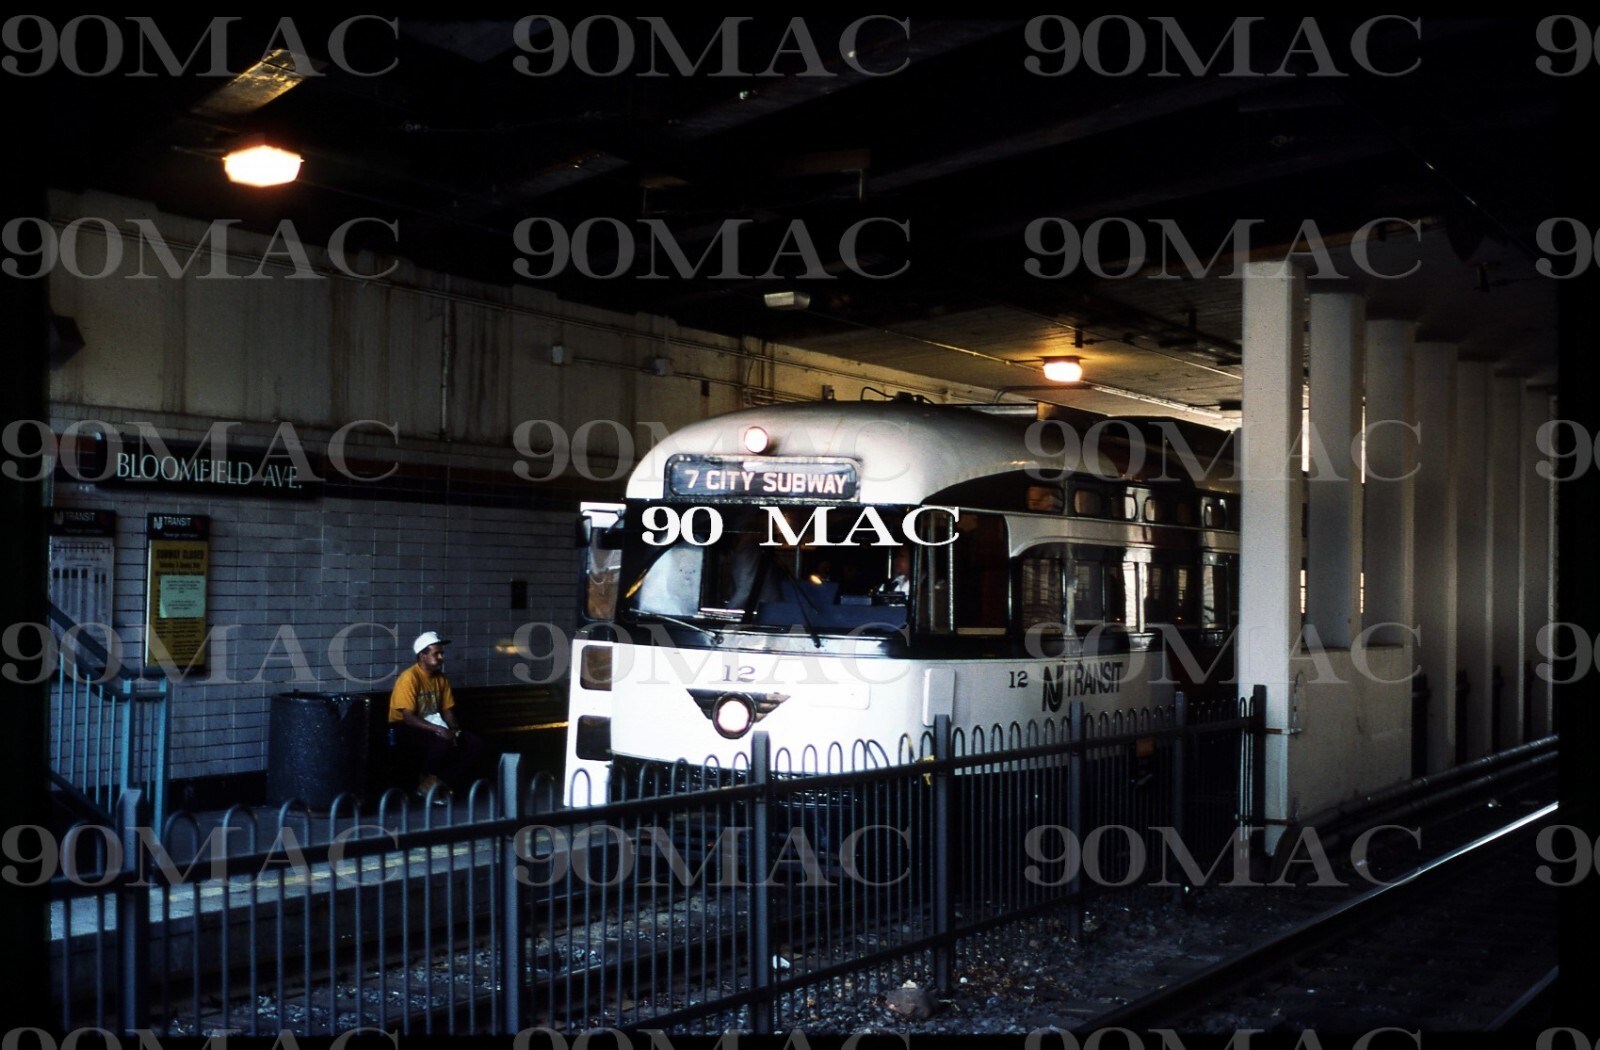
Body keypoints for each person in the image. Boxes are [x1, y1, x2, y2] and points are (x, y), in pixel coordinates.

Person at [388, 630, 483, 800]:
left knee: (473, 743)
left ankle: (436, 783)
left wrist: (455, 729)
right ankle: (427, 785)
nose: (440, 657)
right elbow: (408, 717)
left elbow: (447, 710)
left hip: (432, 725)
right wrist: (439, 730)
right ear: (422, 655)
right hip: (405, 728)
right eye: (436, 653)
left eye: (441, 653)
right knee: (442, 743)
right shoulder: (409, 678)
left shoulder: (442, 678)